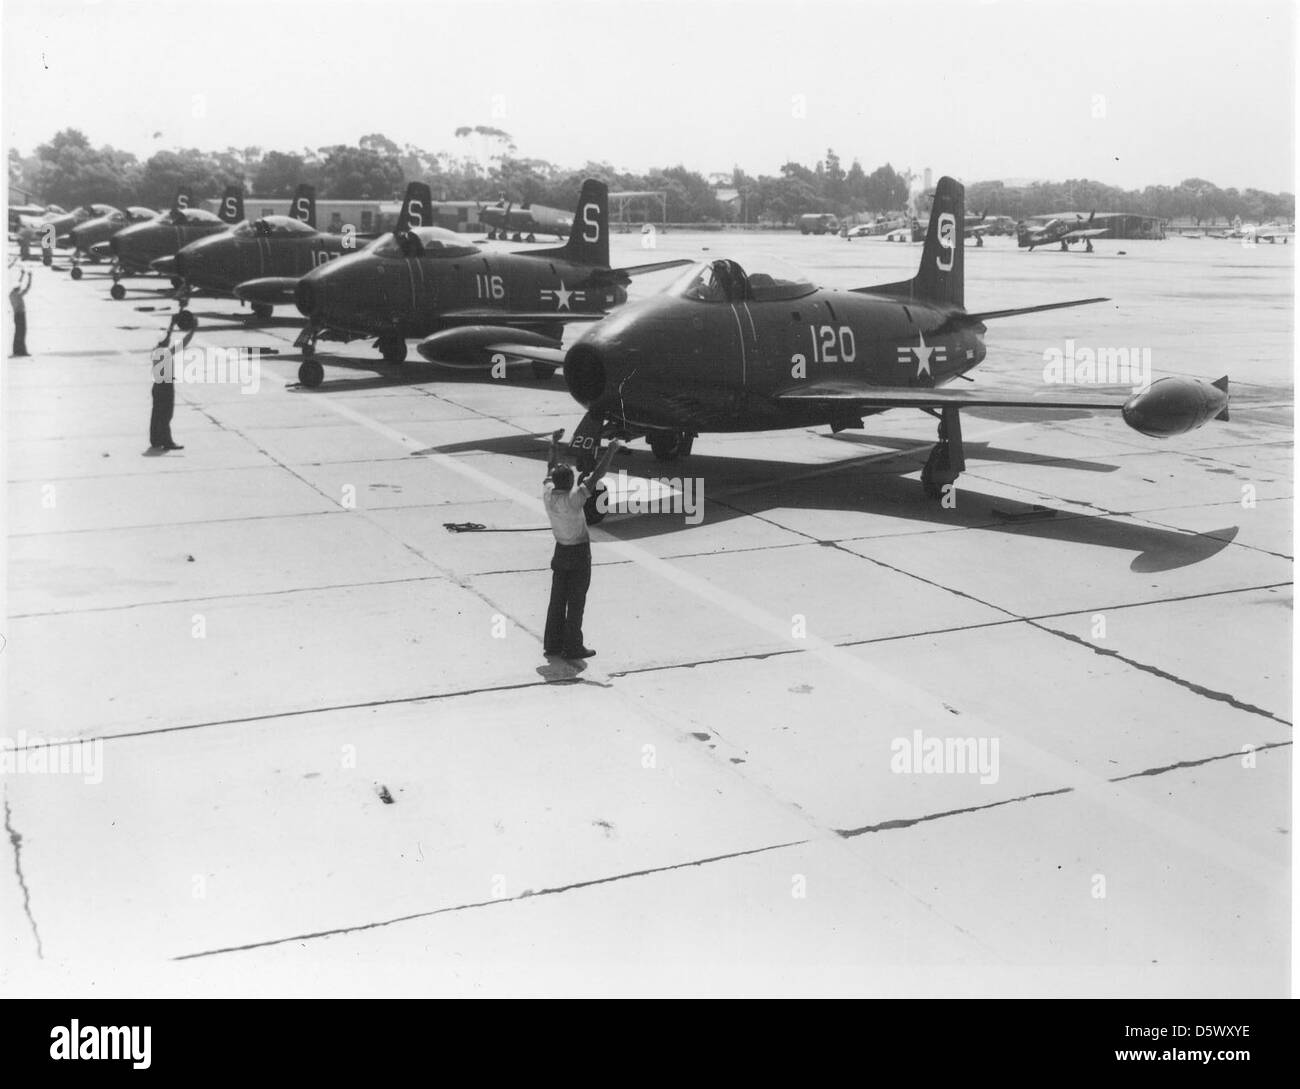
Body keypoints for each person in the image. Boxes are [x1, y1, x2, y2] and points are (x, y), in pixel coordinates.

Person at [542, 428, 621, 660]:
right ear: (570, 483)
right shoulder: (574, 499)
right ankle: (573, 646)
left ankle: (553, 644)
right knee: (576, 602)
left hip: (560, 552)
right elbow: (598, 474)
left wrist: (554, 445)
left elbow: (549, 469)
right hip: (578, 554)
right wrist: (612, 450)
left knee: (557, 600)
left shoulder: (548, 494)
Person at [149, 330, 189, 451]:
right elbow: (183, 344)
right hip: (165, 387)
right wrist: (192, 331)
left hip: (157, 386)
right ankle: (167, 441)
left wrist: (171, 325)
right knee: (166, 415)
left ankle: (155, 440)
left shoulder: (155, 351)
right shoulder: (166, 352)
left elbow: (166, 338)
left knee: (156, 414)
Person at [10, 269, 32, 356]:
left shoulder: (11, 294)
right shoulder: (18, 294)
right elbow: (27, 287)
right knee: (22, 332)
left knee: (18, 332)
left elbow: (18, 283)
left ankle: (16, 350)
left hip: (16, 315)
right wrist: (30, 277)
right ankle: (22, 351)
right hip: (21, 315)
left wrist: (22, 275)